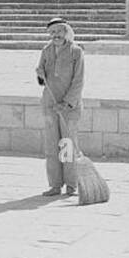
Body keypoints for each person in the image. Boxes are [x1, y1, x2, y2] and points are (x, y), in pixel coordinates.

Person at [36, 17, 85, 196]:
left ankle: (71, 184)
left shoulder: (76, 52)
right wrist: (40, 74)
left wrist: (67, 103)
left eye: (58, 31)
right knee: (52, 145)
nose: (55, 35)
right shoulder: (46, 50)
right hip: (50, 104)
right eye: (52, 32)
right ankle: (55, 185)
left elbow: (78, 81)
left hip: (69, 108)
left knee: (67, 145)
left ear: (66, 32)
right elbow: (42, 78)